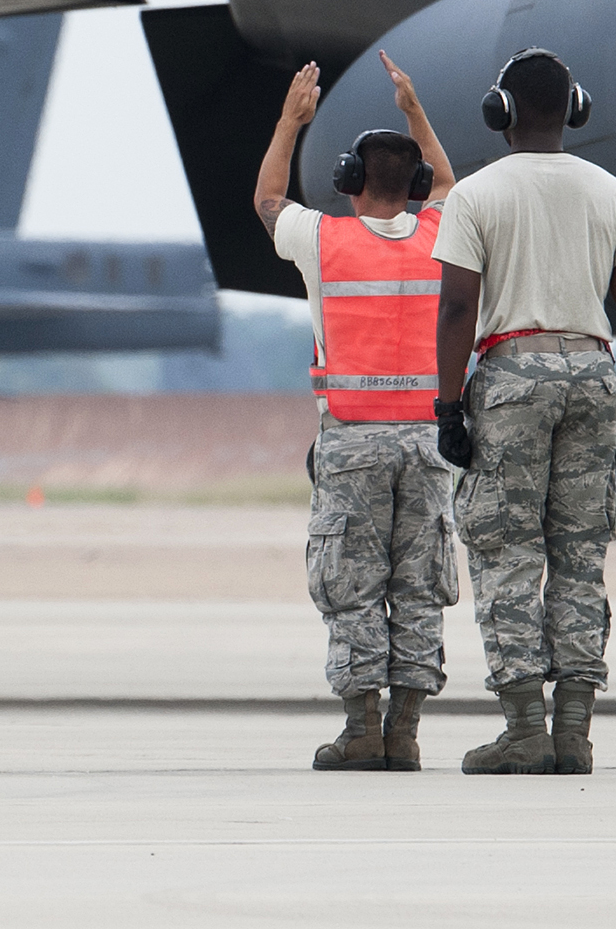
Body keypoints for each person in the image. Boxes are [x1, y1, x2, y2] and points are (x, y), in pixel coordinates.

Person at [433, 47, 616, 776]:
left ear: (500, 112)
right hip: (594, 371)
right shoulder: (615, 193)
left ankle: (523, 727)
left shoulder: (475, 194)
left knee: (505, 553)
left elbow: (459, 305)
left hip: (511, 370)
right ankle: (574, 731)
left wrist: (447, 406)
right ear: (575, 108)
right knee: (580, 557)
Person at [256, 51, 458, 772]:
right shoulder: (441, 238)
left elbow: (267, 201)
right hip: (429, 443)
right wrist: (416, 113)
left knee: (351, 583)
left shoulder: (325, 240)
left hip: (352, 439)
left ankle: (361, 728)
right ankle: (404, 732)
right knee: (419, 582)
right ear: (418, 187)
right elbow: (452, 188)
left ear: (348, 183)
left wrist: (288, 122)